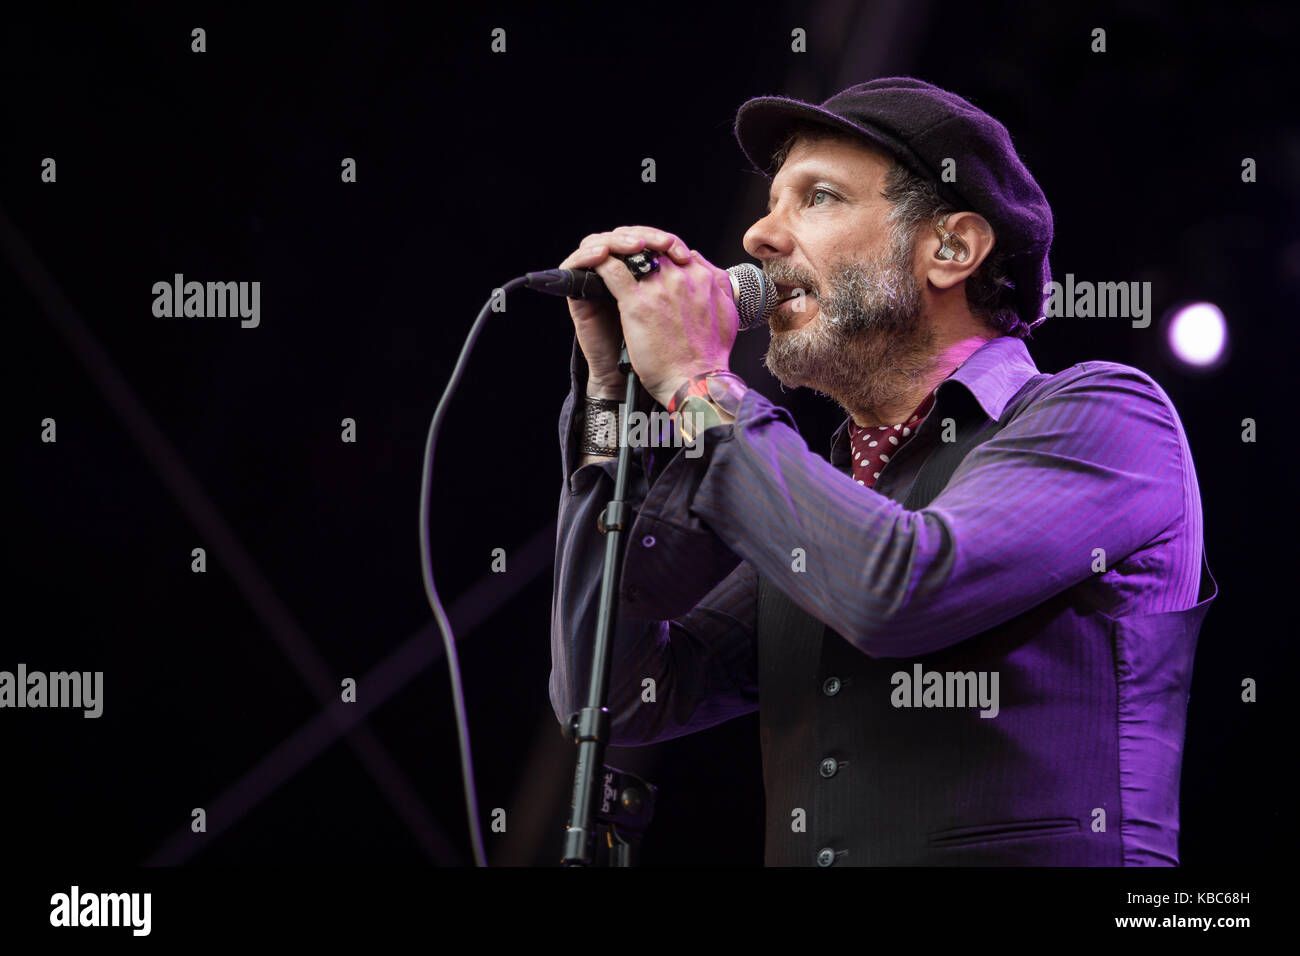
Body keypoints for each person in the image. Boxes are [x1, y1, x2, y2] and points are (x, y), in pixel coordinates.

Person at [549, 77, 1217, 866]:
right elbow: (619, 695)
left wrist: (699, 383)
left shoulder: (1107, 418)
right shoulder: (826, 495)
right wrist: (611, 406)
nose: (760, 235)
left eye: (818, 197)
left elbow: (901, 586)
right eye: (769, 202)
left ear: (951, 249)